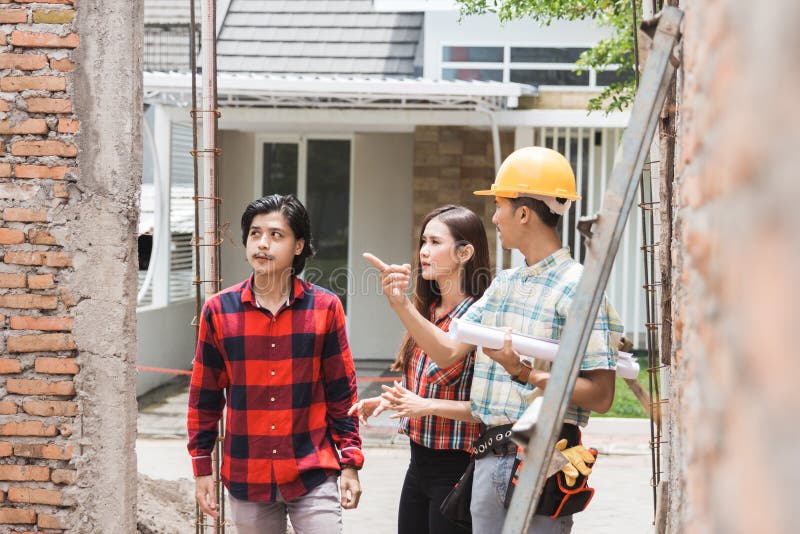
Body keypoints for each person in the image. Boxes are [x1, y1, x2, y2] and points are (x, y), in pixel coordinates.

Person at [368, 147, 624, 533]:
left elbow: (601, 395)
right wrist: (400, 303)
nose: (494, 216)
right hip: (488, 459)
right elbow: (448, 351)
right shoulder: (504, 284)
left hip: (543, 459)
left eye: (500, 205)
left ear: (523, 213)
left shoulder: (579, 289)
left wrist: (524, 373)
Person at [187, 194, 363, 534]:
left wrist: (350, 463)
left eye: (275, 235)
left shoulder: (325, 308)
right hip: (247, 476)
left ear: (299, 246)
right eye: (255, 234)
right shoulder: (219, 311)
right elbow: (204, 400)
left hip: (312, 472)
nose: (262, 244)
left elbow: (342, 394)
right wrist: (202, 469)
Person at [350, 205, 490, 534]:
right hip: (418, 465)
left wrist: (423, 405)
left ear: (465, 252)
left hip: (457, 469)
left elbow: (485, 409)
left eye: (435, 242)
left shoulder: (479, 315)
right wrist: (393, 400)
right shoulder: (429, 310)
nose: (424, 252)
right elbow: (425, 379)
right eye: (422, 242)